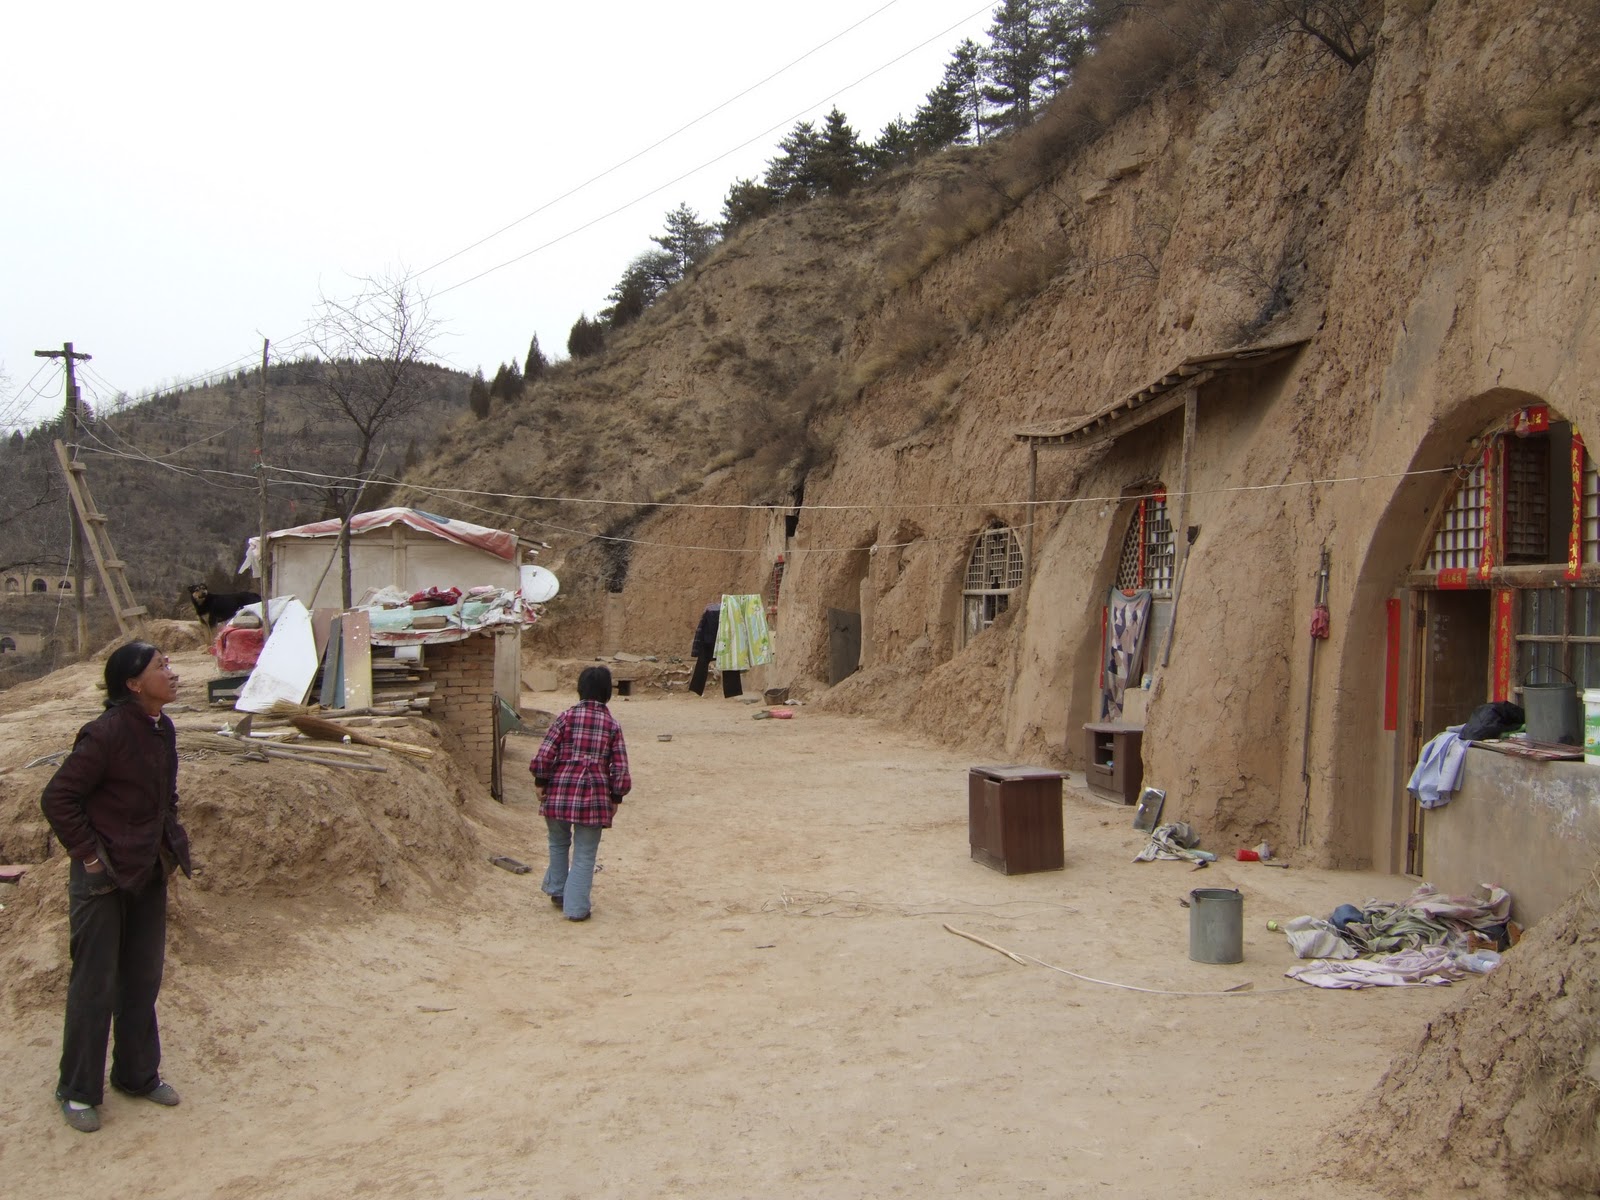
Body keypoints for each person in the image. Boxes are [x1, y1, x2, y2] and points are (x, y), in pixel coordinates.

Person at [40, 641, 192, 1133]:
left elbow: (165, 795)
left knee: (142, 978)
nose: (172, 673)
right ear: (132, 683)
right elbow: (58, 798)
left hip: (147, 869)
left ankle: (137, 1075)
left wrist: (167, 842)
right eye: (161, 666)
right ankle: (77, 1091)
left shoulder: (162, 728)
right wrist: (89, 856)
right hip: (102, 876)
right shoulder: (105, 733)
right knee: (95, 984)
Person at [530, 666, 631, 922]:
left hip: (559, 791)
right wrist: (616, 796)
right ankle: (575, 909)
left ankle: (557, 891)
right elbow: (619, 766)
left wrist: (541, 781)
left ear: (580, 689)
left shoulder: (565, 718)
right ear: (607, 693)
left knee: (558, 842)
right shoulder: (612, 725)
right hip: (594, 797)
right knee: (585, 853)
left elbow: (545, 753)